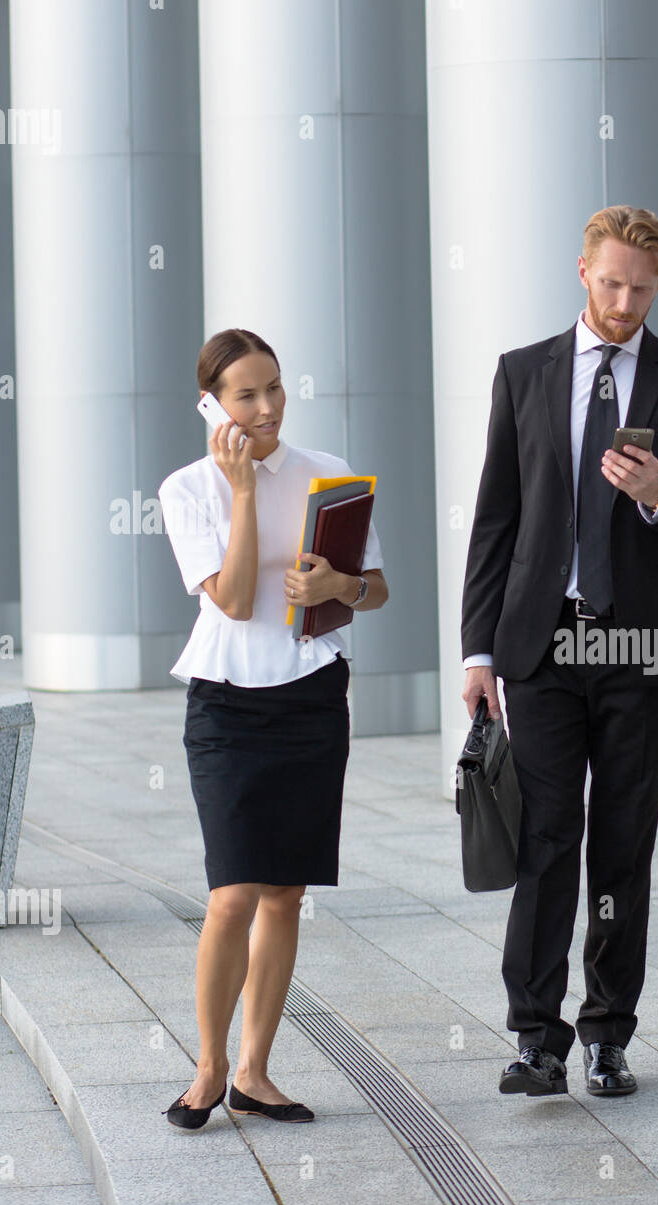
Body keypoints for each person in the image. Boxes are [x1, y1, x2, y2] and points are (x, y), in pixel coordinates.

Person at [461, 206, 658, 1099]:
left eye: (641, 289)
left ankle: (608, 1035)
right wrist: (476, 650)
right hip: (542, 644)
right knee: (545, 839)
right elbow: (496, 518)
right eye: (611, 283)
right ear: (583, 271)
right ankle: (537, 1039)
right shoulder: (524, 372)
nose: (623, 303)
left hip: (639, 648)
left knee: (624, 844)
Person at [157, 328, 388, 1129]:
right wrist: (245, 489)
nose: (266, 407)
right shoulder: (187, 489)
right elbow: (229, 598)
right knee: (232, 895)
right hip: (226, 704)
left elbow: (376, 590)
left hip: (312, 697)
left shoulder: (329, 474)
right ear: (211, 406)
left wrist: (338, 585)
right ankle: (210, 1067)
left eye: (275, 388)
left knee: (285, 894)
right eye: (246, 395)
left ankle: (255, 1073)